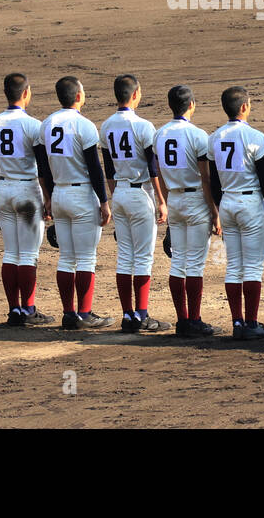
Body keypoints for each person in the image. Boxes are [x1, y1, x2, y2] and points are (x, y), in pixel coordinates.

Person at [41, 76, 114, 330]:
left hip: (59, 194)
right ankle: (85, 313)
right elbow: (95, 168)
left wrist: (48, 196)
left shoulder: (47, 124)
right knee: (85, 258)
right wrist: (104, 202)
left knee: (66, 258)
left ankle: (68, 314)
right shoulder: (84, 125)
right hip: (82, 195)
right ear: (79, 96)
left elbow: (44, 166)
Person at [209, 85, 264, 339]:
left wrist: (218, 210)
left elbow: (214, 181)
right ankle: (251, 323)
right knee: (252, 267)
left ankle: (237, 322)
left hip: (227, 203)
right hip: (250, 205)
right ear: (244, 107)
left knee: (233, 267)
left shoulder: (214, 137)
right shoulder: (255, 137)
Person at [100, 75, 171, 333]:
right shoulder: (143, 126)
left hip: (119, 193)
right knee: (143, 258)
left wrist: (113, 194)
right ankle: (142, 315)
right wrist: (162, 200)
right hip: (141, 194)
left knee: (124, 257)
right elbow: (153, 167)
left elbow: (108, 167)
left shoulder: (106, 126)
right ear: (136, 94)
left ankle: (128, 315)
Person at [0, 73, 53, 327]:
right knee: (28, 254)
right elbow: (43, 167)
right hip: (27, 191)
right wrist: (48, 197)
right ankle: (29, 309)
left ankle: (14, 310)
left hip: (4, 188)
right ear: (26, 93)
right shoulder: (33, 125)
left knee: (10, 253)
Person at [153, 85, 220, 337]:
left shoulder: (159, 134)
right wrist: (214, 211)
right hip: (195, 201)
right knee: (194, 265)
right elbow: (206, 178)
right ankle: (194, 319)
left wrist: (168, 204)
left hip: (175, 200)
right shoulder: (198, 135)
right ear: (192, 104)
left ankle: (182, 320)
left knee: (178, 262)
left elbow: (158, 171)